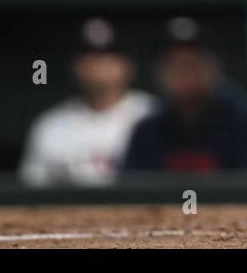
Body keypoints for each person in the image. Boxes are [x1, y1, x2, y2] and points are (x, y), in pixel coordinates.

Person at [122, 17, 247, 172]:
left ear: (215, 69)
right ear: (159, 74)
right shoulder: (148, 131)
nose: (185, 75)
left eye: (194, 64)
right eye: (175, 66)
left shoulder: (243, 124)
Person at [20, 18, 155, 187]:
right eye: (88, 55)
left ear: (128, 65)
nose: (97, 64)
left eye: (107, 54)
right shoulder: (50, 126)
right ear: (74, 66)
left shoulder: (152, 115)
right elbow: (31, 196)